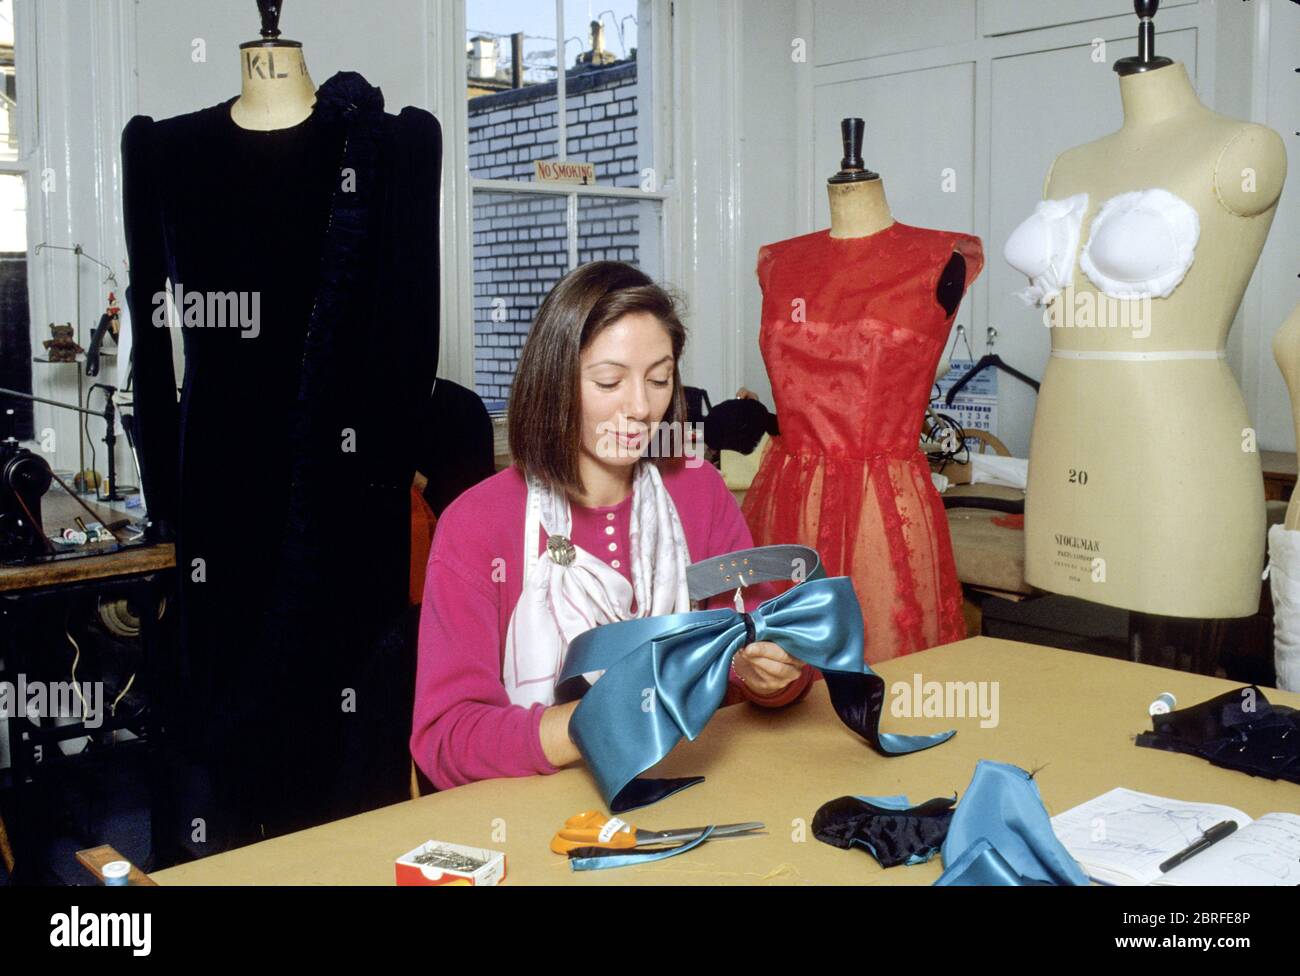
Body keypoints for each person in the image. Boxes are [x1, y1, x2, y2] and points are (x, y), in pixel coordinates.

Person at [411, 261, 813, 790]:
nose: (641, 408)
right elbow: (447, 739)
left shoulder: (698, 491)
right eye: (609, 381)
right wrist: (599, 722)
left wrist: (774, 674)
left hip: (692, 782)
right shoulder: (479, 523)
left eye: (660, 379)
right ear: (553, 381)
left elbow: (761, 642)